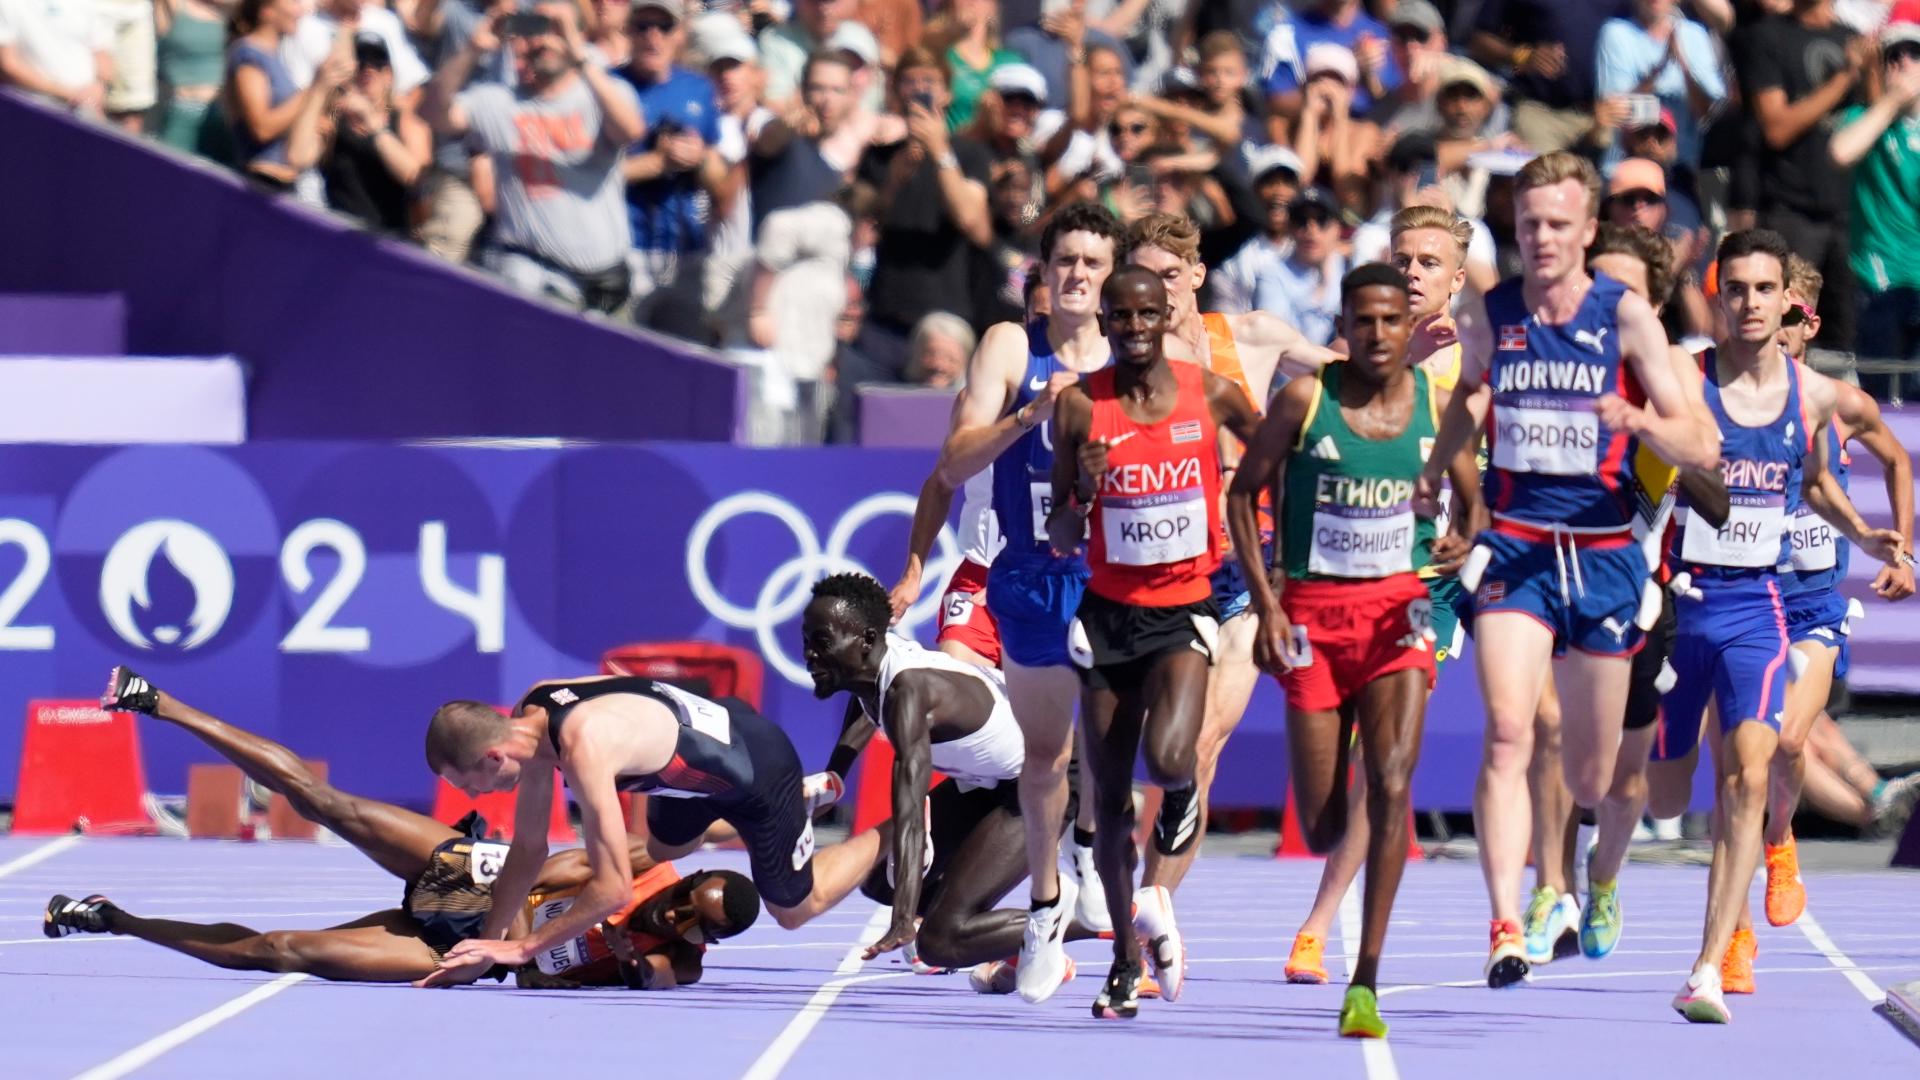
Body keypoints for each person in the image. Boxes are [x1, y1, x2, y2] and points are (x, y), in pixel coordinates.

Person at [1414, 150, 1719, 989]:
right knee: (1511, 731)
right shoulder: (1494, 310)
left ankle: (1597, 874)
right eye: (1528, 224)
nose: (1542, 238)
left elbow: (1702, 443)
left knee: (1592, 774)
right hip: (1516, 546)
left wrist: (1639, 421)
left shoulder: (1627, 317)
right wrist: (1436, 470)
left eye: (1558, 224)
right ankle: (1506, 923)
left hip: (1607, 553)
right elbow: (1469, 395)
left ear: (1587, 230)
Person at [46, 668, 758, 988]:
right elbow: (684, 832)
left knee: (282, 950)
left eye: (699, 924)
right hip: (467, 872)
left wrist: (629, 958)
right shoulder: (645, 870)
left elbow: (658, 976)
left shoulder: (681, 959)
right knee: (322, 800)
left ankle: (111, 918)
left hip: (452, 949)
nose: (681, 917)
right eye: (688, 901)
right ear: (688, 882)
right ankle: (160, 702)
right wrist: (771, 808)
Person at [1230, 263, 1480, 1037]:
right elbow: (1241, 494)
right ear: (1344, 325)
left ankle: (1366, 980)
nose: (1376, 334)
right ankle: (1340, 887)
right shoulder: (1305, 400)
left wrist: (1463, 537)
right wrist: (1268, 603)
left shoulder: (1436, 407)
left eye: (1390, 320)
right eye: (1362, 320)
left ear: (1409, 328)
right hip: (1314, 618)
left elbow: (1474, 501)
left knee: (1393, 780)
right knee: (1323, 822)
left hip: (1400, 616)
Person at [1660, 229, 1901, 1024]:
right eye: (1740, 291)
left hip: (1782, 606)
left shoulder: (1820, 397)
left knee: (1763, 762)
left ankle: (1723, 946)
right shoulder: (1695, 379)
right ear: (1721, 298)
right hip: (1694, 602)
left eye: (1776, 299)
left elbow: (1863, 470)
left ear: (1801, 315)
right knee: (1673, 784)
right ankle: (1629, 872)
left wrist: (1881, 539)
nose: (1761, 311)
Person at [905, 201, 1124, 1003]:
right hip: (1015, 573)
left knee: (1117, 748)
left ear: (1112, 276)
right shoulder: (1008, 346)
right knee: (1036, 758)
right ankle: (1037, 903)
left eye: (1093, 263)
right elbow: (952, 466)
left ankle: (1092, 853)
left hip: (1108, 576)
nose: (1077, 275)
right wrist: (1032, 413)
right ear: (1044, 269)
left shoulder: (1135, 349)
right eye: (1065, 260)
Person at [1281, 206, 1499, 983]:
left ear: (1458, 277)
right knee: (1350, 767)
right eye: (1402, 258)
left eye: (1428, 263)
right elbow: (1306, 377)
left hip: (1439, 579)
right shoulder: (1361, 351)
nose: (1411, 273)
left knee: (1514, 729)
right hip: (1349, 583)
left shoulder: (1482, 354)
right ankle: (1323, 917)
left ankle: (1519, 912)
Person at [1045, 265, 1262, 1019]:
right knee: (1108, 804)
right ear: (1104, 321)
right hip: (1108, 617)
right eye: (1121, 316)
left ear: (1166, 317)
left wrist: (1261, 532)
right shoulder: (1079, 406)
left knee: (1172, 761)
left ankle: (1179, 802)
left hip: (1183, 610)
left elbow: (1276, 460)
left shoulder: (1214, 395)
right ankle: (1122, 958)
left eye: (1147, 314)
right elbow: (1060, 530)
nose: (1134, 327)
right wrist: (1084, 490)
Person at [1124, 212, 1341, 904]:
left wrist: (1423, 354)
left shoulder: (1253, 336)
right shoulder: (1125, 360)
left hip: (1247, 567)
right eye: (1142, 279)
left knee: (1201, 747)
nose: (1156, 293)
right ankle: (1100, 885)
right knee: (1151, 751)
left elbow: (1349, 380)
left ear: (1195, 275)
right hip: (1163, 570)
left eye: (1168, 276)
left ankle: (1154, 909)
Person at [415, 674, 886, 986]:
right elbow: (528, 848)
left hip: (759, 769)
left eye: (467, 784)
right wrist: (488, 947)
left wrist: (522, 948)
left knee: (794, 910)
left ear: (493, 756)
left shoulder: (583, 749)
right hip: (693, 769)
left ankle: (897, 825)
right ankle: (797, 804)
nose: (473, 796)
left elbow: (613, 890)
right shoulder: (532, 709)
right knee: (661, 849)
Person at [800, 573, 1098, 985]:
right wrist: (837, 773)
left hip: (1050, 778)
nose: (809, 654)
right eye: (806, 641)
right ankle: (1005, 938)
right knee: (879, 880)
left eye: (821, 642)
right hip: (993, 781)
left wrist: (904, 920)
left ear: (867, 640)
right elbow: (864, 704)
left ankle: (1095, 917)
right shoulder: (874, 666)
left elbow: (909, 818)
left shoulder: (909, 693)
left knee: (937, 942)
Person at [1759, 256, 1917, 929]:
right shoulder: (1727, 396)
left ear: (1811, 324)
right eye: (1770, 312)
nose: (1779, 328)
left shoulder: (1840, 403)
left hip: (1813, 608)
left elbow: (1898, 460)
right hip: (1748, 599)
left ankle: (1781, 842)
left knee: (1790, 738)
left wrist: (1902, 549)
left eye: (1792, 317)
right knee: (1747, 750)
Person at [421, 0, 645, 315]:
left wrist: (579, 53)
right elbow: (432, 113)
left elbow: (631, 132)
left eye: (557, 29)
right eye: (539, 29)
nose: (546, 41)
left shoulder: (605, 93)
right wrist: (472, 49)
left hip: (607, 280)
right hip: (536, 273)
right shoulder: (500, 102)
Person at [1736, 0, 1877, 352]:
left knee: (1852, 336)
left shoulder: (1851, 38)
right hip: (1792, 209)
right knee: (1787, 327)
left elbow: (1874, 119)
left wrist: (1872, 67)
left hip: (1851, 213)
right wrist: (1845, 76)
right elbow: (1777, 128)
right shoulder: (1768, 36)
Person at [617, 0, 731, 338]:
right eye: (643, 26)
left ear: (679, 34)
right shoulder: (610, 85)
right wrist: (657, 162)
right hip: (627, 243)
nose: (653, 37)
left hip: (685, 249)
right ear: (628, 31)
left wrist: (699, 157)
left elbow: (720, 182)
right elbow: (591, 176)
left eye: (664, 27)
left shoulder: (698, 88)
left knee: (682, 347)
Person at [1829, 20, 1920, 400]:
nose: (1903, 62)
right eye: (1892, 56)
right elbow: (1841, 151)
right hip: (1876, 280)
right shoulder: (1865, 117)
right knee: (1880, 400)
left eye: (1914, 54)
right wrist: (1891, 103)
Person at [226, 0, 347, 195]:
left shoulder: (278, 56)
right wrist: (315, 88)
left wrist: (313, 121)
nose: (300, 12)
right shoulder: (249, 55)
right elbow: (262, 128)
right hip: (259, 183)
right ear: (267, 12)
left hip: (285, 186)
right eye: (292, 3)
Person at [322, 32, 432, 236]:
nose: (368, 70)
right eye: (361, 62)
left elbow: (416, 177)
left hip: (386, 237)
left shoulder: (405, 120)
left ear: (388, 74)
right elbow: (302, 156)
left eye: (377, 63)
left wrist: (374, 124)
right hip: (336, 228)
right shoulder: (334, 116)